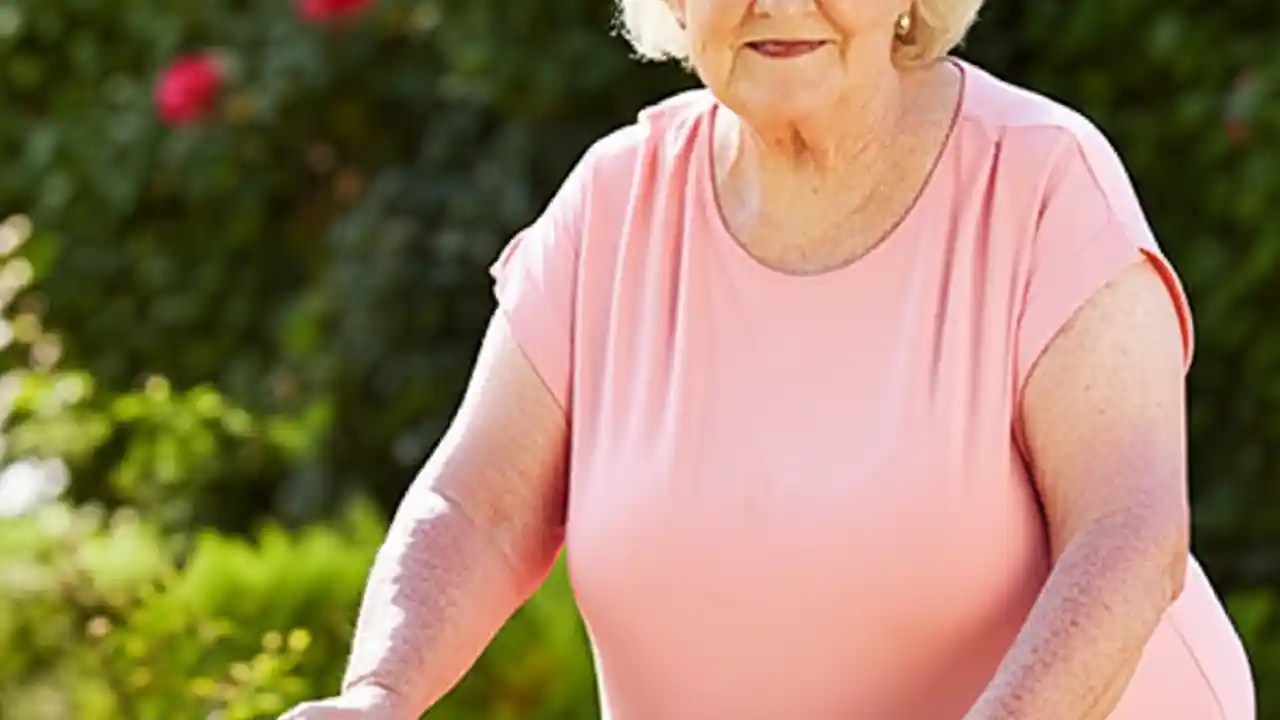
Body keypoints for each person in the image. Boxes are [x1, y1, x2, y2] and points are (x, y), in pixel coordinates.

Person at [280, 0, 1257, 718]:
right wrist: (378, 695)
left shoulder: (1042, 179)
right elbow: (477, 506)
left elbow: (1127, 538)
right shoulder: (613, 202)